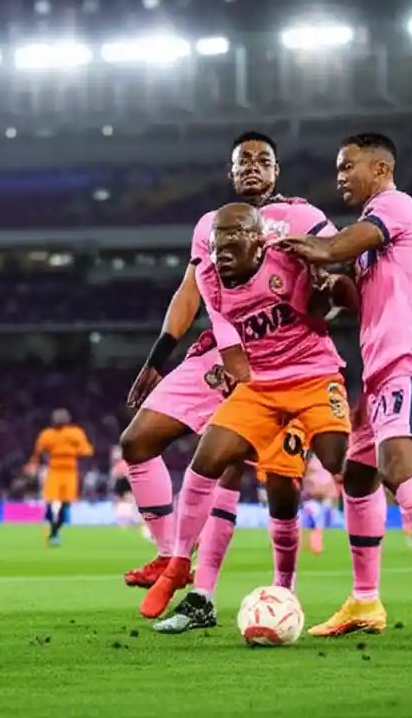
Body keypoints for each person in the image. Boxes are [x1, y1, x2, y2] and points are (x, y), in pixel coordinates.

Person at [269, 132, 412, 645]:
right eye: (337, 169)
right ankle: (365, 600)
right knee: (358, 475)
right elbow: (360, 299)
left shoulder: (395, 207)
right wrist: (330, 288)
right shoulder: (372, 243)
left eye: (348, 166)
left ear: (381, 168)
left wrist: (297, 245)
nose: (340, 177)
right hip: (380, 371)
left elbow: (334, 246)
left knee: (399, 466)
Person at [119, 130, 340, 589]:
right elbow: (190, 293)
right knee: (137, 441)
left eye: (262, 160)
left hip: (286, 361)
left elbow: (340, 268)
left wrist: (330, 295)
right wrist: (158, 357)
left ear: (277, 170)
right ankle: (171, 557)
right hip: (221, 351)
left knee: (251, 477)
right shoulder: (211, 225)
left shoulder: (302, 216)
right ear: (231, 171)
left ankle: (223, 593)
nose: (252, 166)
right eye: (243, 160)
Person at [143, 202, 352, 629]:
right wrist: (230, 379)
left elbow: (321, 309)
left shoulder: (286, 259)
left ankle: (293, 589)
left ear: (259, 240)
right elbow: (232, 347)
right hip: (260, 383)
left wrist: (326, 287)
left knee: (322, 471)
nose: (220, 249)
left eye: (232, 238)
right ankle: (179, 562)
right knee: (207, 458)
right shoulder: (208, 276)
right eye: (216, 240)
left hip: (313, 375)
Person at [26, 408, 94, 546]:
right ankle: (52, 528)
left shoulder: (75, 433)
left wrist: (71, 451)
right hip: (55, 471)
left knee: (65, 503)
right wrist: (34, 464)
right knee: (51, 502)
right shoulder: (48, 434)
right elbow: (38, 451)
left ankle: (54, 531)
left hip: (69, 472)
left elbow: (87, 451)